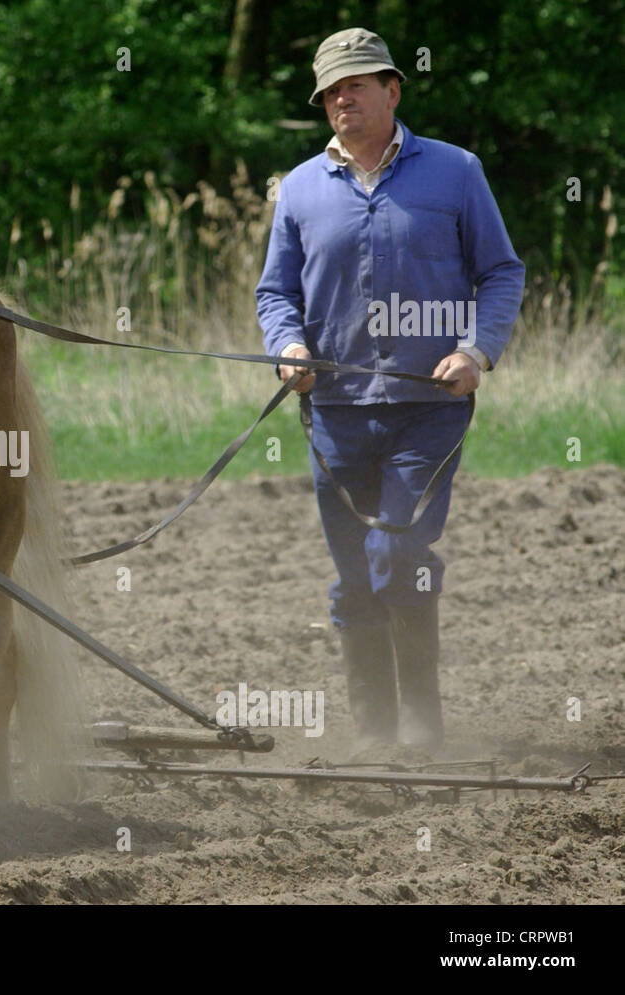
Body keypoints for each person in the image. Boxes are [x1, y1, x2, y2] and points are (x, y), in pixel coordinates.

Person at [255, 27, 524, 753]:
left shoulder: (456, 172)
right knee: (352, 575)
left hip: (430, 410)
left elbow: (502, 271)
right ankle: (374, 731)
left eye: (358, 85)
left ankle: (421, 725)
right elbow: (275, 291)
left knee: (397, 551)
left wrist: (477, 350)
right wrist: (287, 347)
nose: (344, 99)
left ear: (392, 90)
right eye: (332, 91)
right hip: (335, 413)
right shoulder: (301, 189)